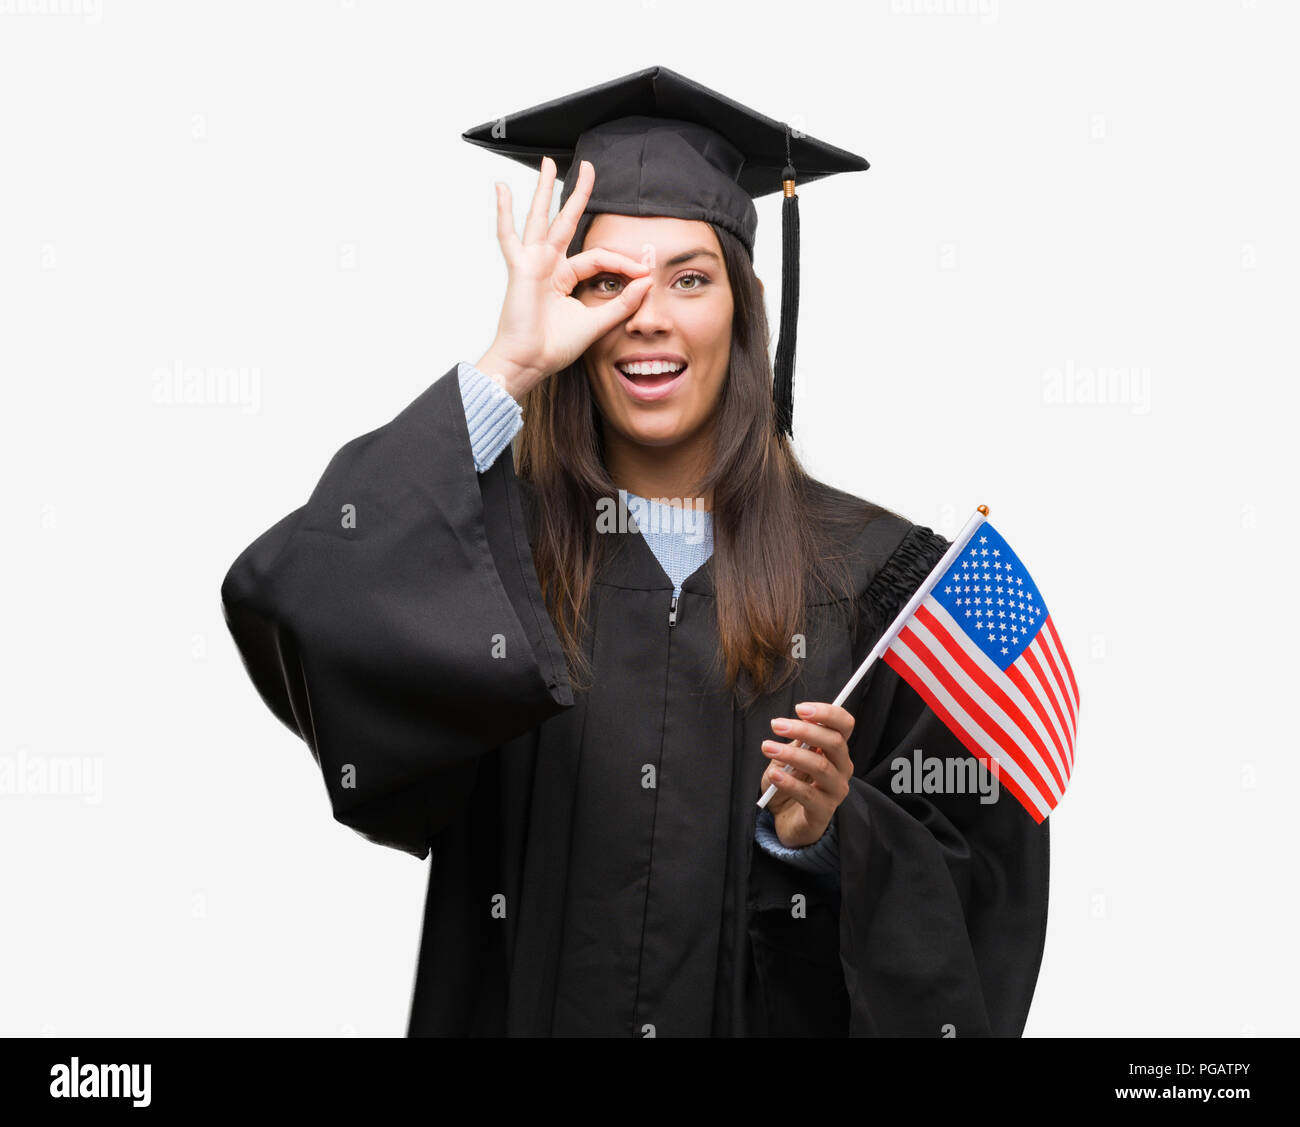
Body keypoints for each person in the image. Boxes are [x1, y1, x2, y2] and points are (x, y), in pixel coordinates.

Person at [219, 66, 1049, 1037]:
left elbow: (983, 876)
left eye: (690, 279)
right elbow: (303, 600)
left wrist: (830, 839)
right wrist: (506, 370)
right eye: (606, 281)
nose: (648, 315)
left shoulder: (877, 579)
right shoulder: (489, 552)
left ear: (743, 305)